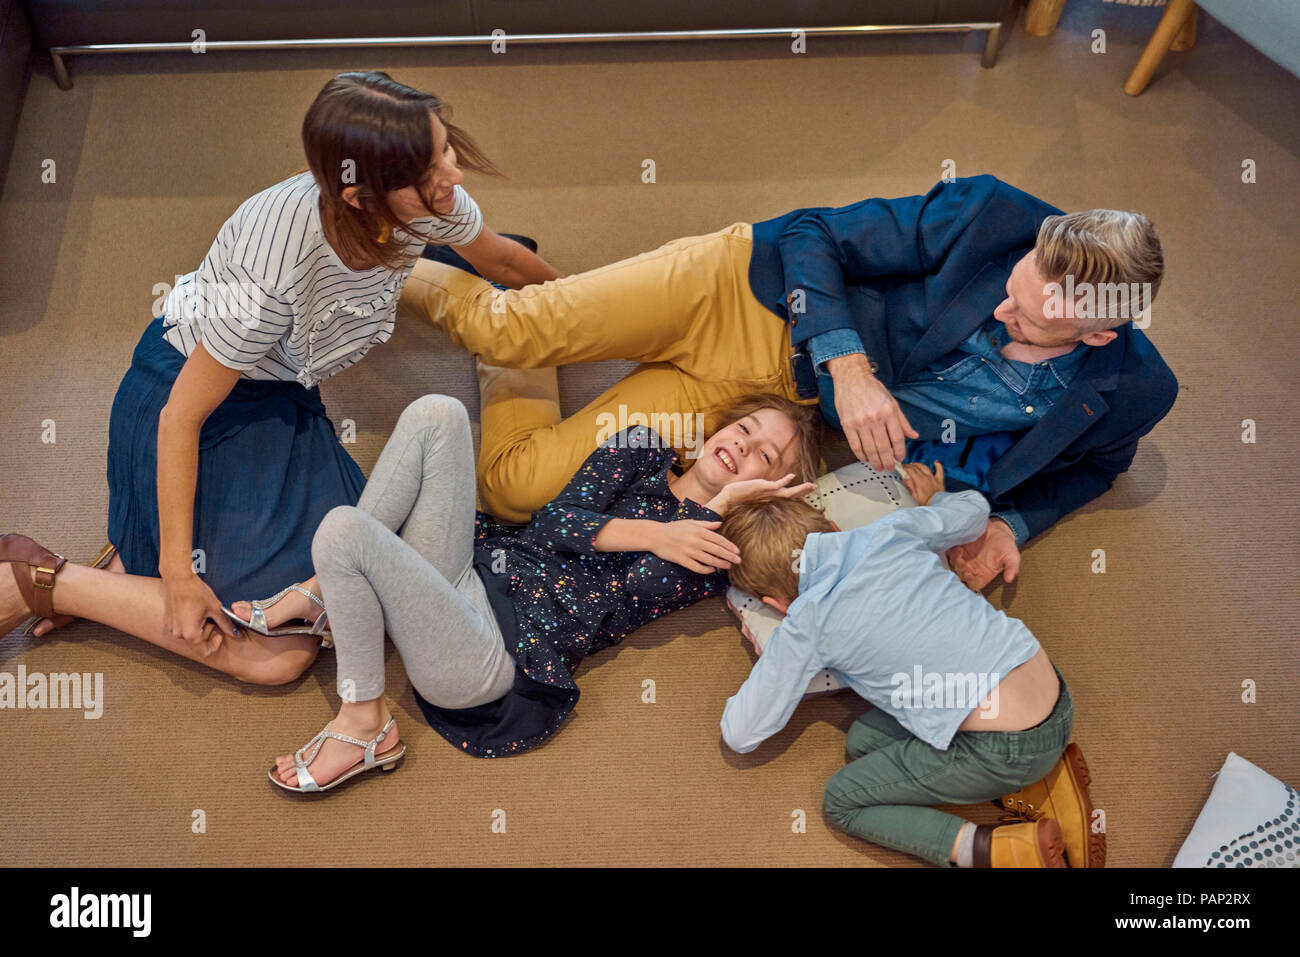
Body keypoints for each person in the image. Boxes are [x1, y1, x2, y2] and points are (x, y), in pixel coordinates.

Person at [1, 71, 561, 684]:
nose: (452, 175)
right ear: (361, 197)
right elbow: (179, 417)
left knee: (367, 569)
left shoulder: (434, 202)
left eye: (445, 148)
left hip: (280, 391)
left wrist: (588, 307)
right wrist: (179, 578)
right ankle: (49, 581)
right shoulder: (269, 275)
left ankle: (122, 572)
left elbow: (501, 257)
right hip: (195, 402)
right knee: (278, 655)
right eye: (427, 173)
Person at [400, 175, 1177, 589]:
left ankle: (534, 310)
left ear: (1100, 332)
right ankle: (369, 261)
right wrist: (850, 363)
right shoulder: (990, 212)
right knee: (501, 326)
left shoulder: (1137, 387)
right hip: (741, 290)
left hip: (767, 411)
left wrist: (1012, 525)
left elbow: (1101, 464)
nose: (1005, 305)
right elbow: (813, 231)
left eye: (1030, 319)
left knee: (513, 489)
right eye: (1013, 283)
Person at [259, 391, 822, 792]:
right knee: (438, 414)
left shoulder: (715, 549)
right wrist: (659, 532)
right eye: (745, 430)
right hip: (476, 571)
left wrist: (716, 510)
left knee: (344, 529)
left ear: (766, 489)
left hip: (498, 654)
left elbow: (638, 587)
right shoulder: (643, 448)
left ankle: (363, 724)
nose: (743, 449)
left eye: (765, 460)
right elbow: (554, 522)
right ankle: (322, 596)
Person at [714, 461, 1103, 868]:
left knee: (842, 800)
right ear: (832, 529)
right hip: (1055, 696)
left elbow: (740, 735)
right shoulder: (891, 530)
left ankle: (995, 850)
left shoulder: (804, 623)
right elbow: (973, 512)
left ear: (776, 604)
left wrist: (776, 654)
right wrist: (935, 497)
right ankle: (1042, 786)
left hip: (1006, 749)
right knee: (861, 740)